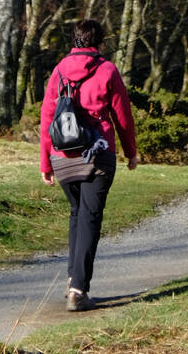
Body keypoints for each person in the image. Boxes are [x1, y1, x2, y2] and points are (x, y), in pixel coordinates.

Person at [39, 19, 138, 312]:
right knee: (90, 218)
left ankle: (73, 278)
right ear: (100, 42)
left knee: (77, 214)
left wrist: (46, 162)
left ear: (75, 40)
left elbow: (47, 118)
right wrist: (131, 151)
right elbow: (122, 116)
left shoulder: (58, 71)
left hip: (63, 157)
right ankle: (78, 291)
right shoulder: (107, 70)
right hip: (97, 154)